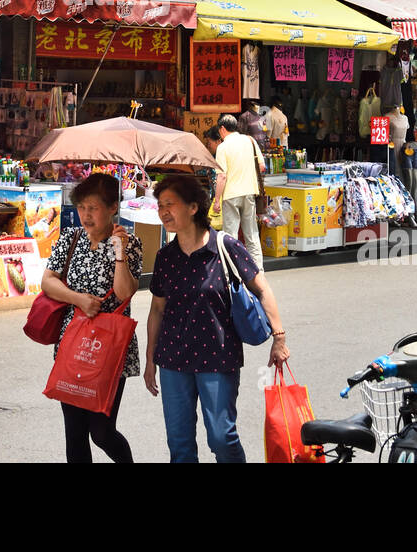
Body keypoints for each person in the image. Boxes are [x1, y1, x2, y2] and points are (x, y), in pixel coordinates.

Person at [144, 174, 289, 463]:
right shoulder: (166, 257)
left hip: (218, 358)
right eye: (160, 205)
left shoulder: (224, 247)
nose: (163, 212)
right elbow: (157, 309)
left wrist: (279, 338)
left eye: (170, 204)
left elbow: (262, 289)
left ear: (194, 207)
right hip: (173, 360)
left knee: (222, 438)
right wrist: (150, 359)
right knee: (179, 443)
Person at [41, 173, 141, 463]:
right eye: (82, 207)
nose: (85, 214)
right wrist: (79, 300)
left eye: (93, 208)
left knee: (101, 431)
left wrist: (120, 255)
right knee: (74, 432)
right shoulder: (70, 239)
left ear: (112, 208)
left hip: (109, 348)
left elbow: (124, 294)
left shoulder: (128, 242)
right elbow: (48, 281)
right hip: (73, 343)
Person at [211, 115, 265, 269]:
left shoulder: (223, 147)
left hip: (231, 195)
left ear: (222, 129)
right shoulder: (250, 141)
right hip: (249, 192)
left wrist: (216, 200)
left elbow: (222, 176)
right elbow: (261, 166)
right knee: (252, 235)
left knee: (230, 236)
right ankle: (258, 269)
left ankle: (232, 269)